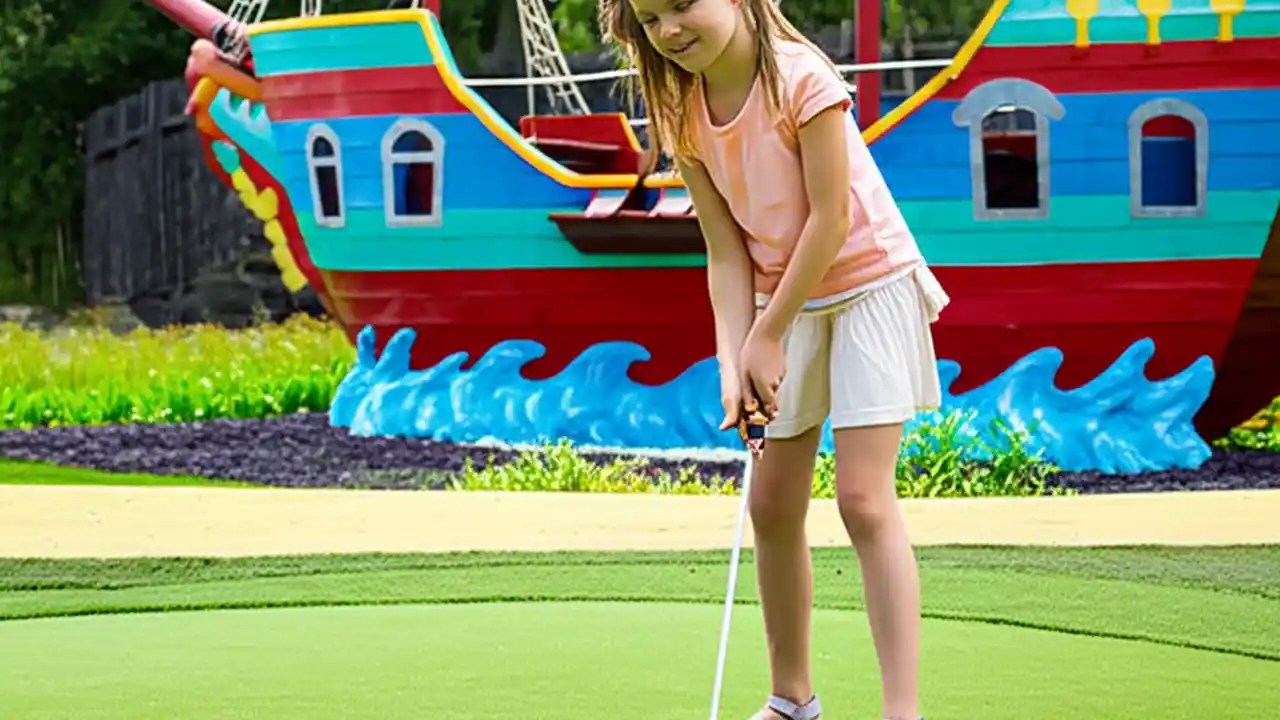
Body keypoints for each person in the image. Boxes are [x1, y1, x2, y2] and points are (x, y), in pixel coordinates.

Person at [599, 1, 950, 719]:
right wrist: (735, 357)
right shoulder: (683, 113)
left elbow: (832, 219)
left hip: (867, 286)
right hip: (781, 304)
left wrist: (768, 333)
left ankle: (902, 711)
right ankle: (793, 700)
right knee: (772, 504)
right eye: (652, 17)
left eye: (682, 5)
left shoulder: (802, 80)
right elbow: (725, 252)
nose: (669, 29)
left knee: (861, 497)